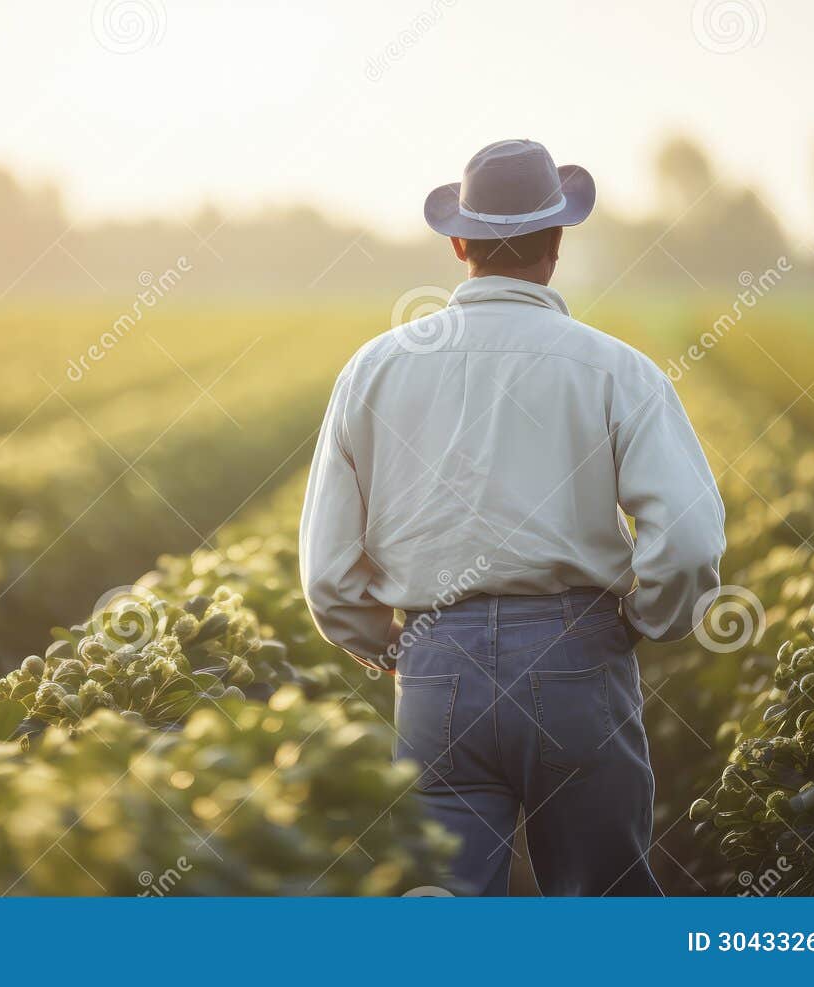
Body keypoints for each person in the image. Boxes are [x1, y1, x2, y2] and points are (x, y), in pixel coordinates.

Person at [298, 139, 726, 896]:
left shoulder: (375, 368)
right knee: (602, 913)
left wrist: (394, 647)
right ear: (557, 243)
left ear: (458, 243)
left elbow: (327, 572)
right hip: (577, 657)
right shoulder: (615, 367)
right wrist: (641, 621)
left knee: (439, 913)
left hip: (436, 668)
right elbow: (689, 538)